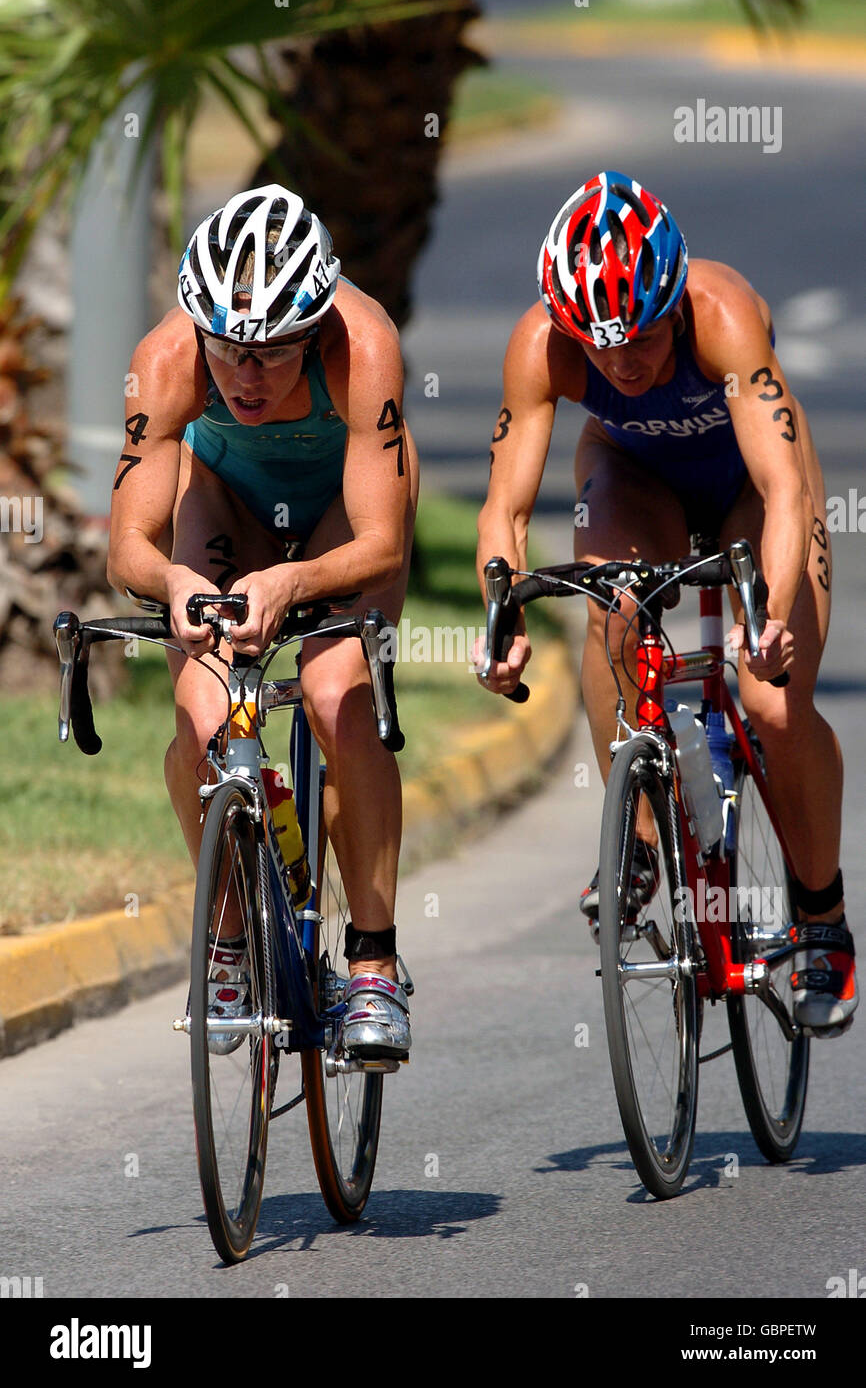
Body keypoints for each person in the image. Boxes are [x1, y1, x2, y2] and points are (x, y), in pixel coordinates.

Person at [476, 168, 856, 1036]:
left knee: (770, 698)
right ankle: (641, 837)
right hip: (634, 477)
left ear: (674, 304)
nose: (622, 362)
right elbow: (504, 507)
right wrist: (504, 619)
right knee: (611, 612)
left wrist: (769, 620)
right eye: (598, 345)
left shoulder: (724, 313)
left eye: (640, 337)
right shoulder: (541, 345)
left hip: (751, 490)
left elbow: (785, 490)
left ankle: (823, 913)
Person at [107, 184, 417, 1058]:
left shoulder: (364, 346)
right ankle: (233, 928)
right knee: (204, 722)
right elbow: (127, 540)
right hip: (225, 503)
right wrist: (171, 582)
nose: (246, 376)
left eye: (275, 354)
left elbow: (383, 541)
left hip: (335, 526)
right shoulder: (168, 357)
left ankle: (374, 965)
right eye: (229, 352)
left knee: (334, 694)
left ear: (314, 330)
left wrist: (290, 582)